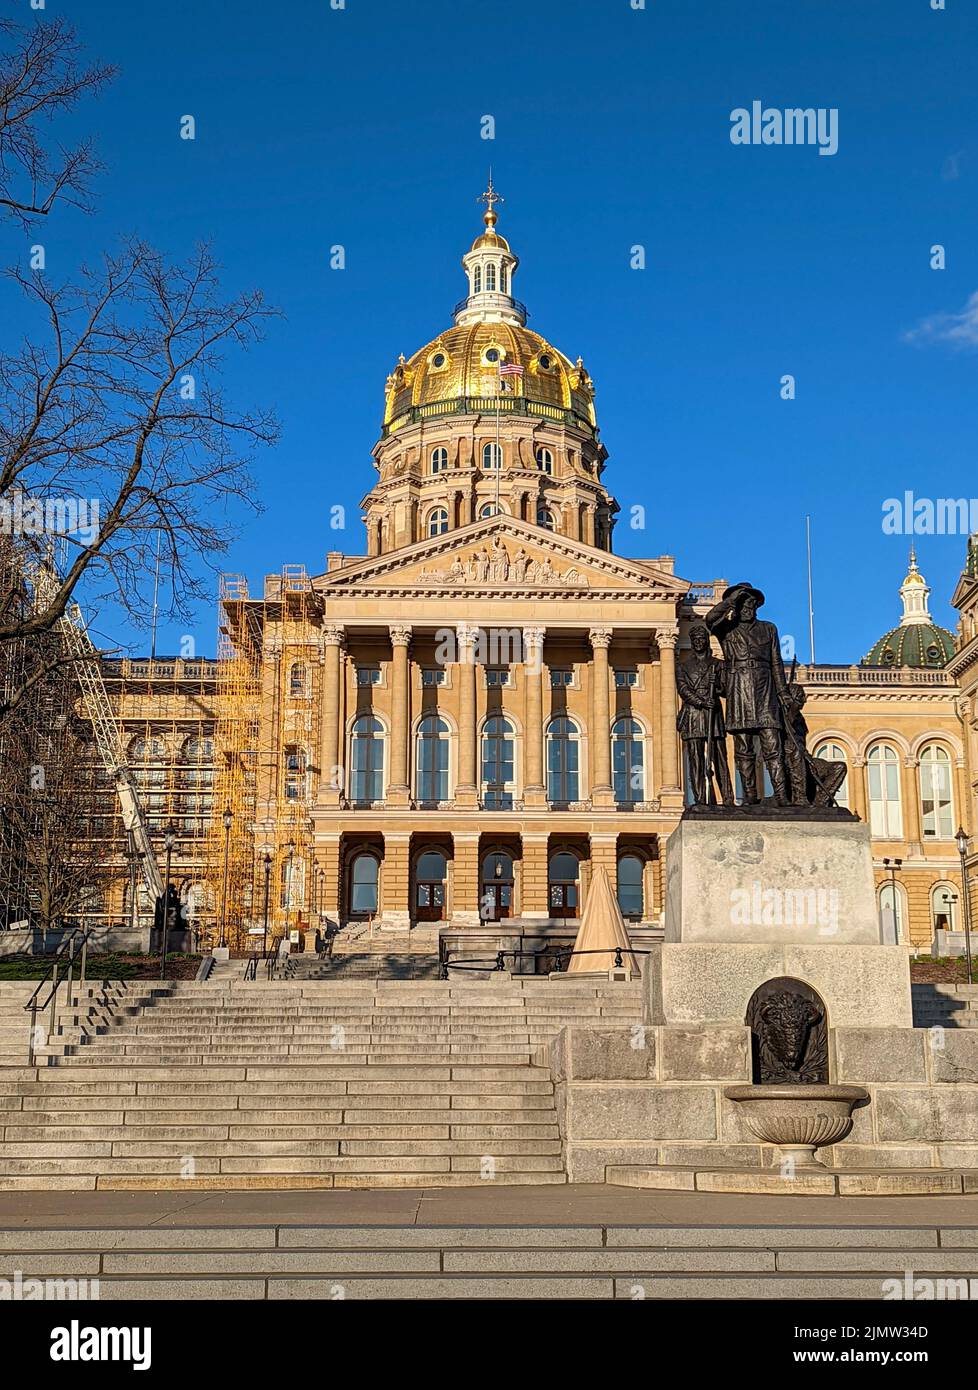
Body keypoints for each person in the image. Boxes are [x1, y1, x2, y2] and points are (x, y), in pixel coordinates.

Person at [705, 582, 789, 806]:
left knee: (773, 745)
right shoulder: (727, 629)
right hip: (739, 688)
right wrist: (731, 600)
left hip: (764, 688)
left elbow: (776, 663)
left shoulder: (768, 629)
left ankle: (781, 794)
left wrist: (783, 693)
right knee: (743, 748)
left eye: (751, 602)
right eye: (744, 603)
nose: (748, 607)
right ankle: (750, 794)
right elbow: (710, 620)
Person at [677, 623, 733, 806]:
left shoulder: (718, 665)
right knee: (696, 760)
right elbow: (683, 690)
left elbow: (726, 690)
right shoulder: (683, 667)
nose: (699, 642)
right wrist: (701, 701)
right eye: (695, 640)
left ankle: (727, 798)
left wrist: (716, 685)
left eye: (702, 639)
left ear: (707, 641)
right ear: (692, 643)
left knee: (720, 758)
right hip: (694, 714)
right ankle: (700, 799)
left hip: (713, 714)